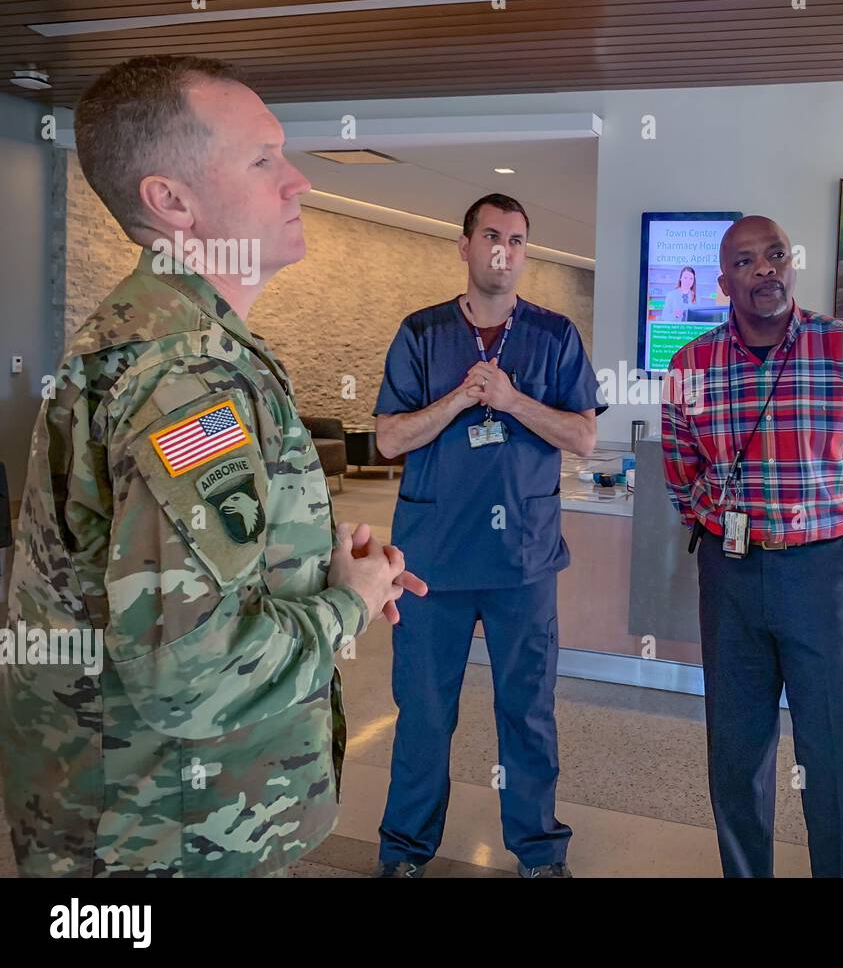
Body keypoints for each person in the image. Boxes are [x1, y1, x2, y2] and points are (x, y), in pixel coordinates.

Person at [0, 55, 424, 877]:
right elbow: (192, 673)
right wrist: (348, 605)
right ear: (171, 199)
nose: (296, 180)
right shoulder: (184, 374)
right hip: (164, 836)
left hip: (150, 817)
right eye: (262, 158)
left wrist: (313, 563)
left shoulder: (179, 343)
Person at [372, 193, 601, 878]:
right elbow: (387, 438)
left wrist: (510, 400)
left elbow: (584, 436)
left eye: (519, 239)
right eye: (493, 235)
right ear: (466, 245)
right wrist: (459, 400)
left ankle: (538, 852)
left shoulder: (556, 336)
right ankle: (404, 850)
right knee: (423, 714)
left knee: (527, 713)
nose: (505, 249)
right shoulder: (421, 333)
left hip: (521, 560)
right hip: (430, 562)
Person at [661, 215, 843, 877]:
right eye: (744, 261)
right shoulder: (691, 364)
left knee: (835, 759)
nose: (764, 269)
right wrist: (725, 533)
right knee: (736, 753)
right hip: (731, 574)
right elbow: (681, 477)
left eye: (774, 255)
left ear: (792, 262)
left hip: (829, 576)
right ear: (724, 280)